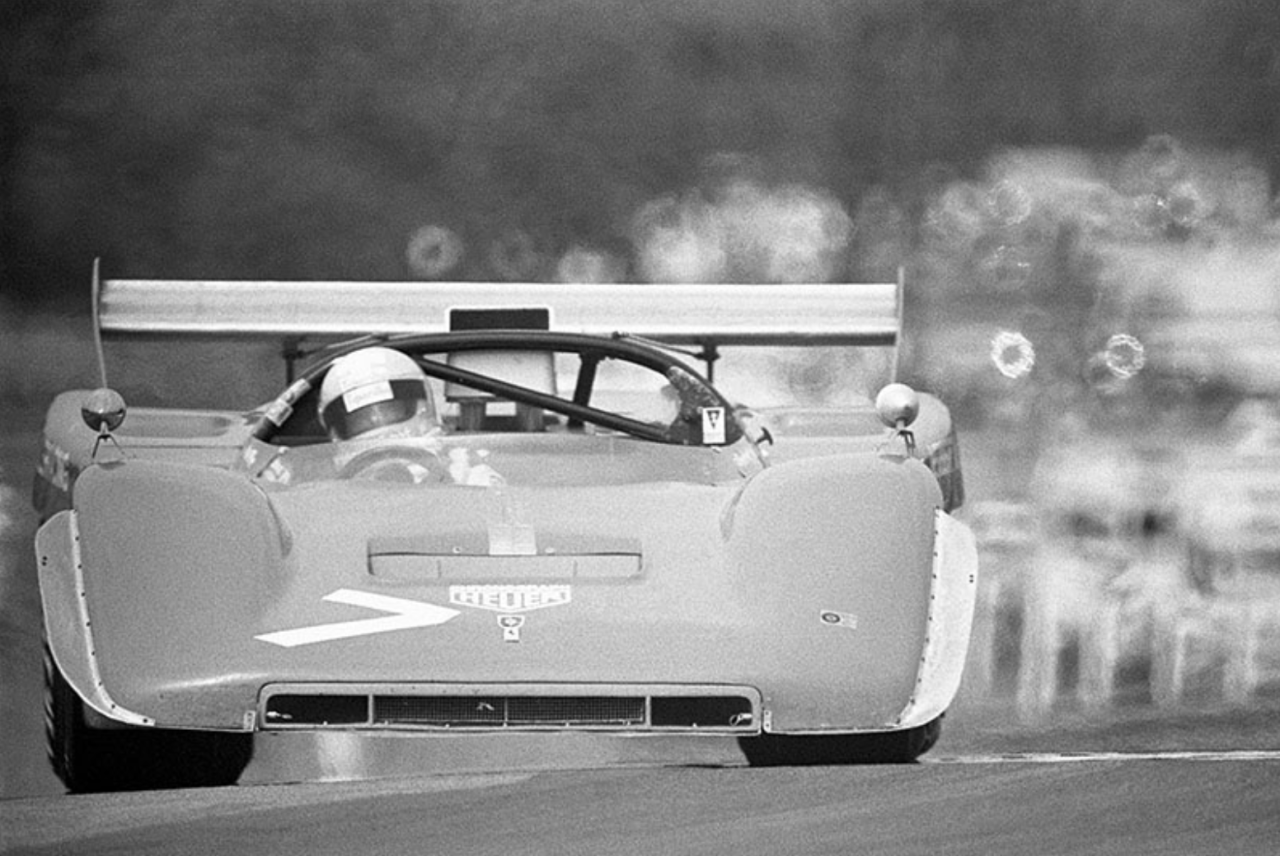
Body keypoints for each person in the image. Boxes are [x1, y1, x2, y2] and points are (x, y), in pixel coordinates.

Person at [316, 346, 444, 482]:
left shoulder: (463, 473)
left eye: (390, 410)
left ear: (423, 408)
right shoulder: (328, 495)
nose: (377, 419)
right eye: (361, 419)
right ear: (337, 433)